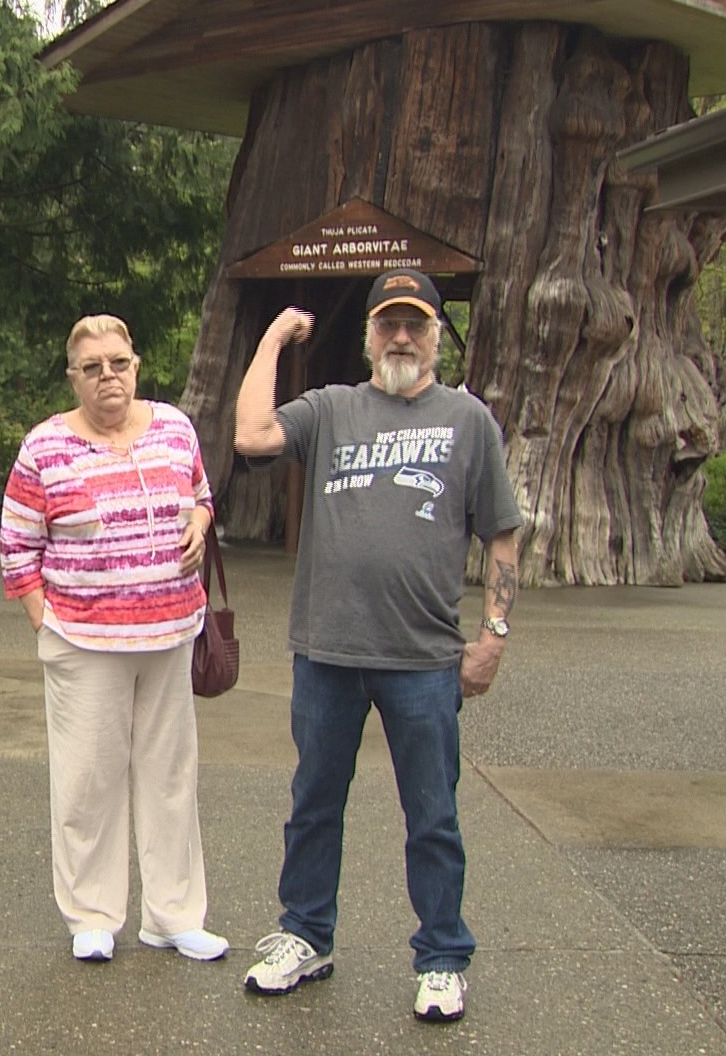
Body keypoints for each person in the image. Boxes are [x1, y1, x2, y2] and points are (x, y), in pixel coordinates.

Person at [231, 268, 522, 1022]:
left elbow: (502, 534)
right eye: (388, 324)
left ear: (434, 336)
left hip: (424, 660)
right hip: (327, 651)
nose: (401, 337)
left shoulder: (468, 421)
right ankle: (305, 936)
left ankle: (443, 957)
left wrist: (493, 634)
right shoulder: (331, 409)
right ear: (367, 336)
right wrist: (271, 337)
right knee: (314, 804)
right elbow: (251, 435)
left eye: (416, 325)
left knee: (432, 815)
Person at [0, 314, 229, 965]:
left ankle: (174, 916)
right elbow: (17, 547)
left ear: (136, 365)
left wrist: (200, 520)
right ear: (74, 377)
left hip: (171, 634)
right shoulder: (45, 447)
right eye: (93, 367)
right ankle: (93, 916)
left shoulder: (175, 427)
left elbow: (202, 492)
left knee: (170, 779)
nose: (109, 377)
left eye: (119, 363)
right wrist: (50, 625)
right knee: (88, 782)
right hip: (84, 643)